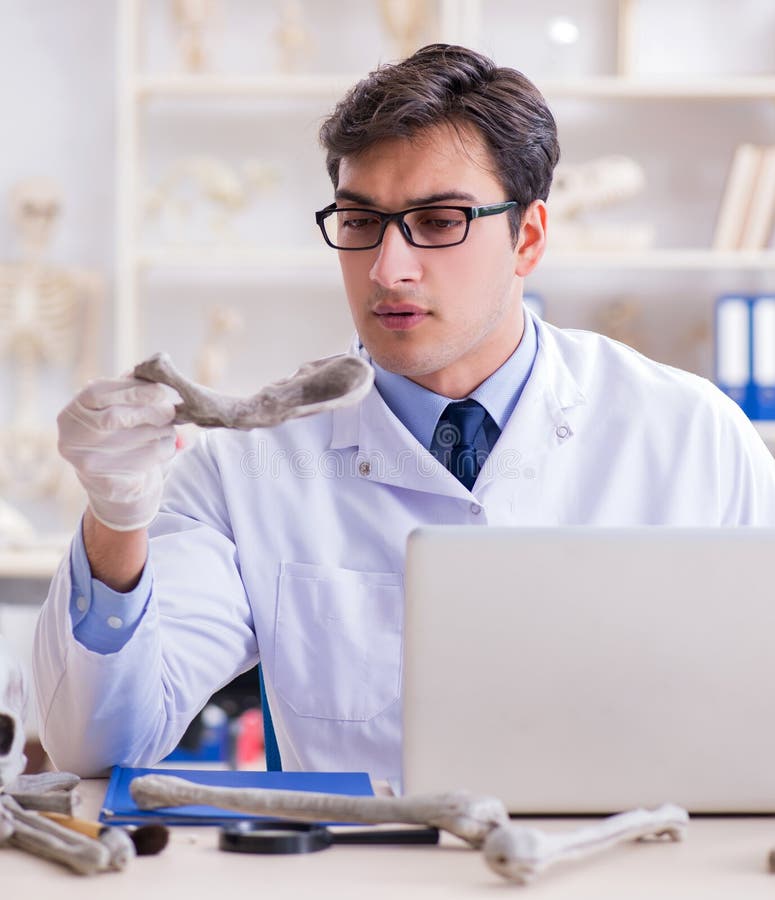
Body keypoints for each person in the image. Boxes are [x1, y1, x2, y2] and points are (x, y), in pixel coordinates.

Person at [33, 44, 775, 780]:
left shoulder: (691, 436)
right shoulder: (245, 465)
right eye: (360, 222)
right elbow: (98, 746)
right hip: (361, 856)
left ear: (528, 238)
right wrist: (116, 519)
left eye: (440, 220)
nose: (388, 270)